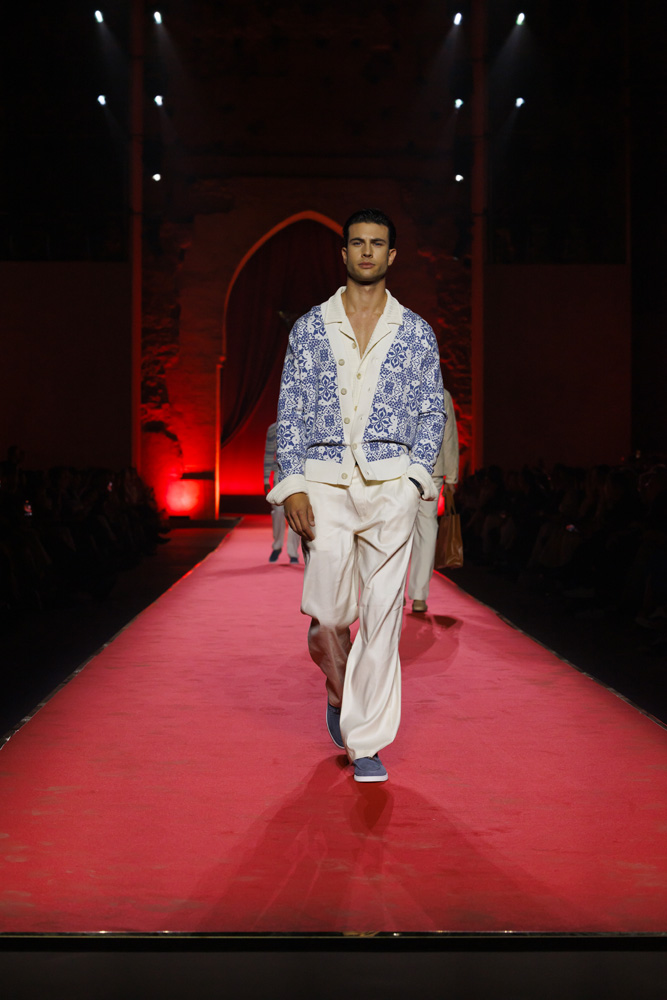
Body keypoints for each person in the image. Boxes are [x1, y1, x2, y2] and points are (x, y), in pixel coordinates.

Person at [267, 208, 445, 783]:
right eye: (358, 243)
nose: (367, 252)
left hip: (391, 487)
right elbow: (291, 407)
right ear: (343, 253)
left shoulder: (415, 331)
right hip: (324, 485)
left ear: (391, 255)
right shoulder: (310, 328)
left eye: (377, 244)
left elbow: (432, 410)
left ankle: (366, 739)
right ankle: (341, 689)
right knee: (328, 616)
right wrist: (292, 484)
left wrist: (415, 481)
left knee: (383, 617)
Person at [407, 388, 459, 612]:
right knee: (426, 527)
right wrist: (452, 476)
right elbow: (449, 435)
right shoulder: (441, 392)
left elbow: (449, 434)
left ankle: (398, 591)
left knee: (399, 527)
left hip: (404, 467)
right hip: (431, 468)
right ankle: (419, 595)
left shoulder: (403, 383)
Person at [263, 421, 301, 564]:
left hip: (299, 474)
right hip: (279, 474)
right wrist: (266, 478)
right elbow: (268, 454)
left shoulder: (302, 424)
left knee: (296, 512)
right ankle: (277, 546)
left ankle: (293, 552)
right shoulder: (273, 428)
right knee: (278, 512)